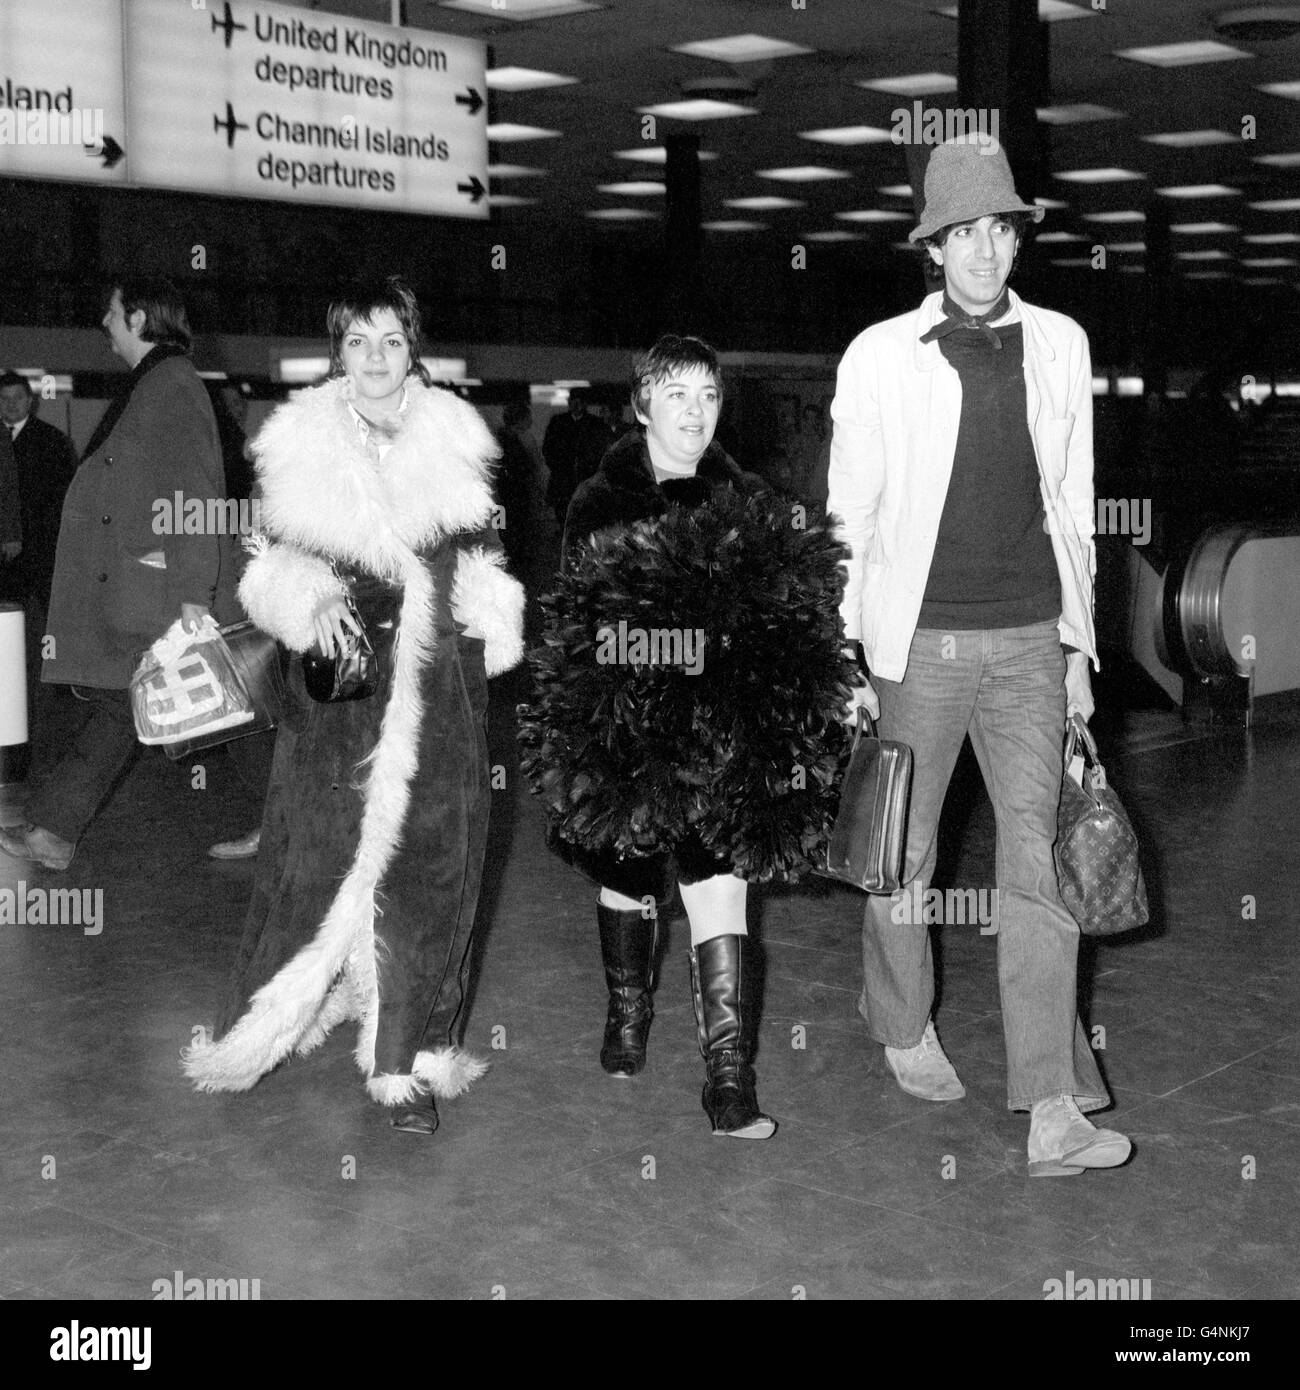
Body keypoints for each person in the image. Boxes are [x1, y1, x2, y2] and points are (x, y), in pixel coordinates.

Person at [828, 138, 1131, 1177]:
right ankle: (902, 1020)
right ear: (935, 246)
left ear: (1014, 237)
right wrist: (846, 649)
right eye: (964, 232)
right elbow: (849, 517)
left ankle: (1051, 1102)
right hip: (918, 647)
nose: (984, 250)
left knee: (1038, 860)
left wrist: (1079, 646)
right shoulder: (879, 355)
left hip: (1029, 643)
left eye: (999, 229)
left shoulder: (1060, 343)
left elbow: (1075, 508)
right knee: (901, 857)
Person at [183, 276, 525, 1136]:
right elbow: (264, 563)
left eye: (393, 343)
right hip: (337, 696)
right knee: (312, 862)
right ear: (338, 350)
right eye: (360, 343)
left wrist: (488, 631)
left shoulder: (457, 440)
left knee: (433, 869)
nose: (376, 360)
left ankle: (406, 1062)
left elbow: (485, 559)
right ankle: (274, 1018)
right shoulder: (297, 443)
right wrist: (309, 593)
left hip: (438, 691)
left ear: (415, 350)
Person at [522, 334, 852, 1140]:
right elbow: (583, 630)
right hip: (627, 733)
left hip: (723, 732)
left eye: (707, 395)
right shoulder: (599, 502)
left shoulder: (749, 501)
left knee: (722, 887)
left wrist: (831, 679)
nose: (695, 412)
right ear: (642, 406)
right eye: (676, 395)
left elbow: (785, 617)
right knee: (628, 880)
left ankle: (729, 1083)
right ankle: (628, 1014)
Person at [0, 278, 235, 872]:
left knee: (128, 705)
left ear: (137, 316)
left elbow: (197, 491)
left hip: (152, 588)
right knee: (137, 705)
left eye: (110, 311)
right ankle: (53, 827)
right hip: (133, 584)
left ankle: (54, 830)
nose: (103, 322)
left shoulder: (173, 383)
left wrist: (191, 595)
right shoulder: (154, 381)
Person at [0, 371, 78, 616]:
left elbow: (65, 496)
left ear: (30, 401)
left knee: (41, 618)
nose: (11, 404)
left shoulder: (53, 441)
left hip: (40, 548)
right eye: (4, 398)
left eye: (18, 397)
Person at [542, 388, 611, 525]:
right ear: (569, 403)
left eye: (580, 402)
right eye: (573, 402)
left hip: (586, 475)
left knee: (585, 513)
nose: (576, 405)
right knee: (563, 512)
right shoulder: (558, 422)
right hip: (563, 477)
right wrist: (558, 466)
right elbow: (548, 448)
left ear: (585, 404)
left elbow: (601, 449)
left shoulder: (595, 423)